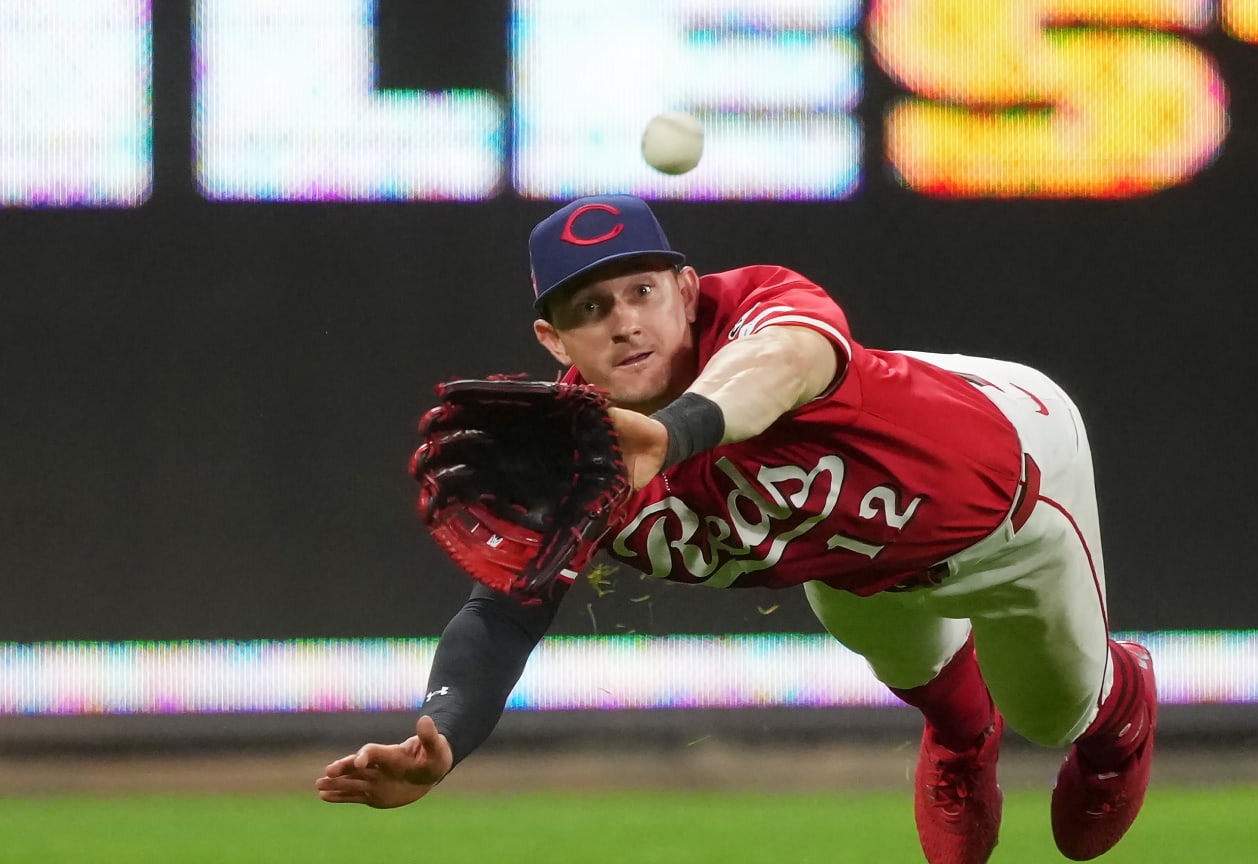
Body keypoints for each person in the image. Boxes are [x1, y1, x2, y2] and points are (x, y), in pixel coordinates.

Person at [315, 194, 1158, 863]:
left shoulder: (760, 307)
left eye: (642, 290)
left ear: (687, 290)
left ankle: (1120, 713)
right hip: (849, 558)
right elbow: (504, 610)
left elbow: (784, 364)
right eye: (590, 306)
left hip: (1008, 494)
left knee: (1056, 715)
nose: (624, 321)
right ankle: (961, 735)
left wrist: (671, 435)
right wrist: (445, 740)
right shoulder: (578, 452)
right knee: (909, 659)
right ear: (554, 338)